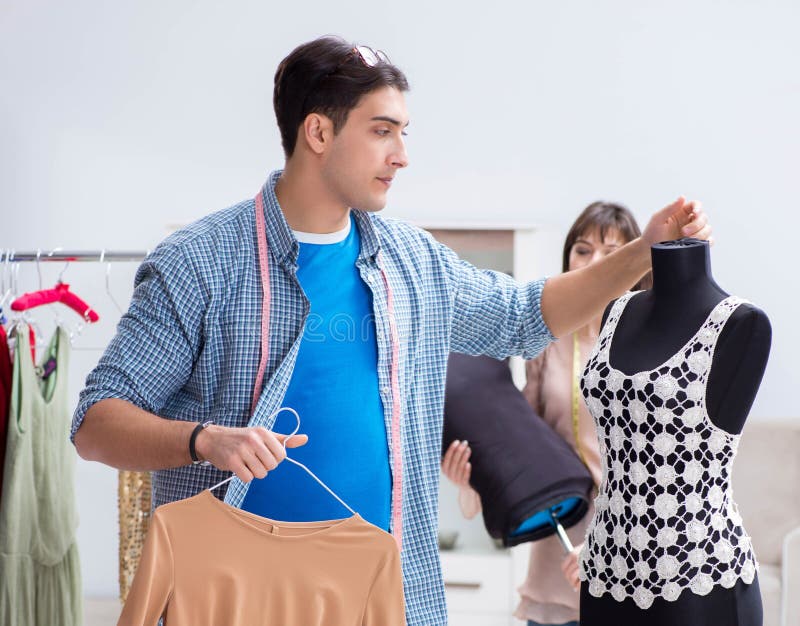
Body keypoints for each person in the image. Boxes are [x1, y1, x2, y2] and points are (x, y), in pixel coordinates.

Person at [71, 36, 710, 625]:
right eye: (382, 132)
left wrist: (642, 253)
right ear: (317, 132)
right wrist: (204, 440)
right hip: (235, 597)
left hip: (385, 596)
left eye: (402, 132)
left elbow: (523, 315)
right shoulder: (200, 261)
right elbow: (95, 423)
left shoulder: (413, 261)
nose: (402, 156)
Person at [441, 201, 652, 626]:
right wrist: (468, 486)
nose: (595, 263)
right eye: (583, 249)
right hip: (558, 560)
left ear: (636, 266)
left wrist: (604, 548)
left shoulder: (656, 348)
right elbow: (518, 447)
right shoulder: (548, 344)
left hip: (633, 557)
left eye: (613, 253)